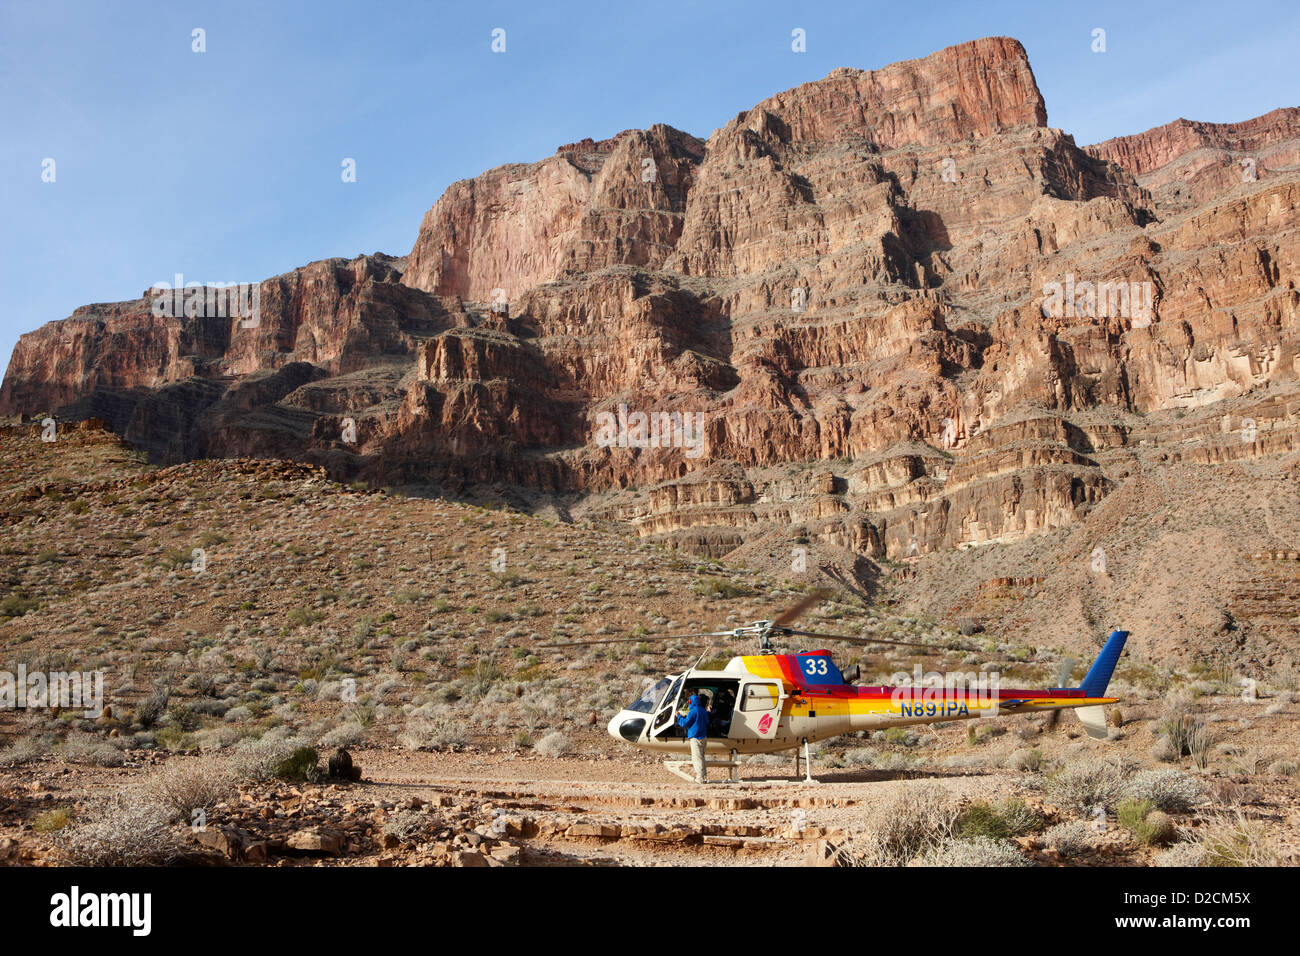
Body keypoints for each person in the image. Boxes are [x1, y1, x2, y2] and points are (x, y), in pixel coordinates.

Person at [676, 691, 711, 783]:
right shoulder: (703, 711)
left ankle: (700, 778)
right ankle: (704, 777)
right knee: (702, 758)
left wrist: (678, 716)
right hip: (704, 737)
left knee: (697, 759)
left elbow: (685, 723)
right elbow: (707, 722)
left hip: (695, 737)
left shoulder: (693, 711)